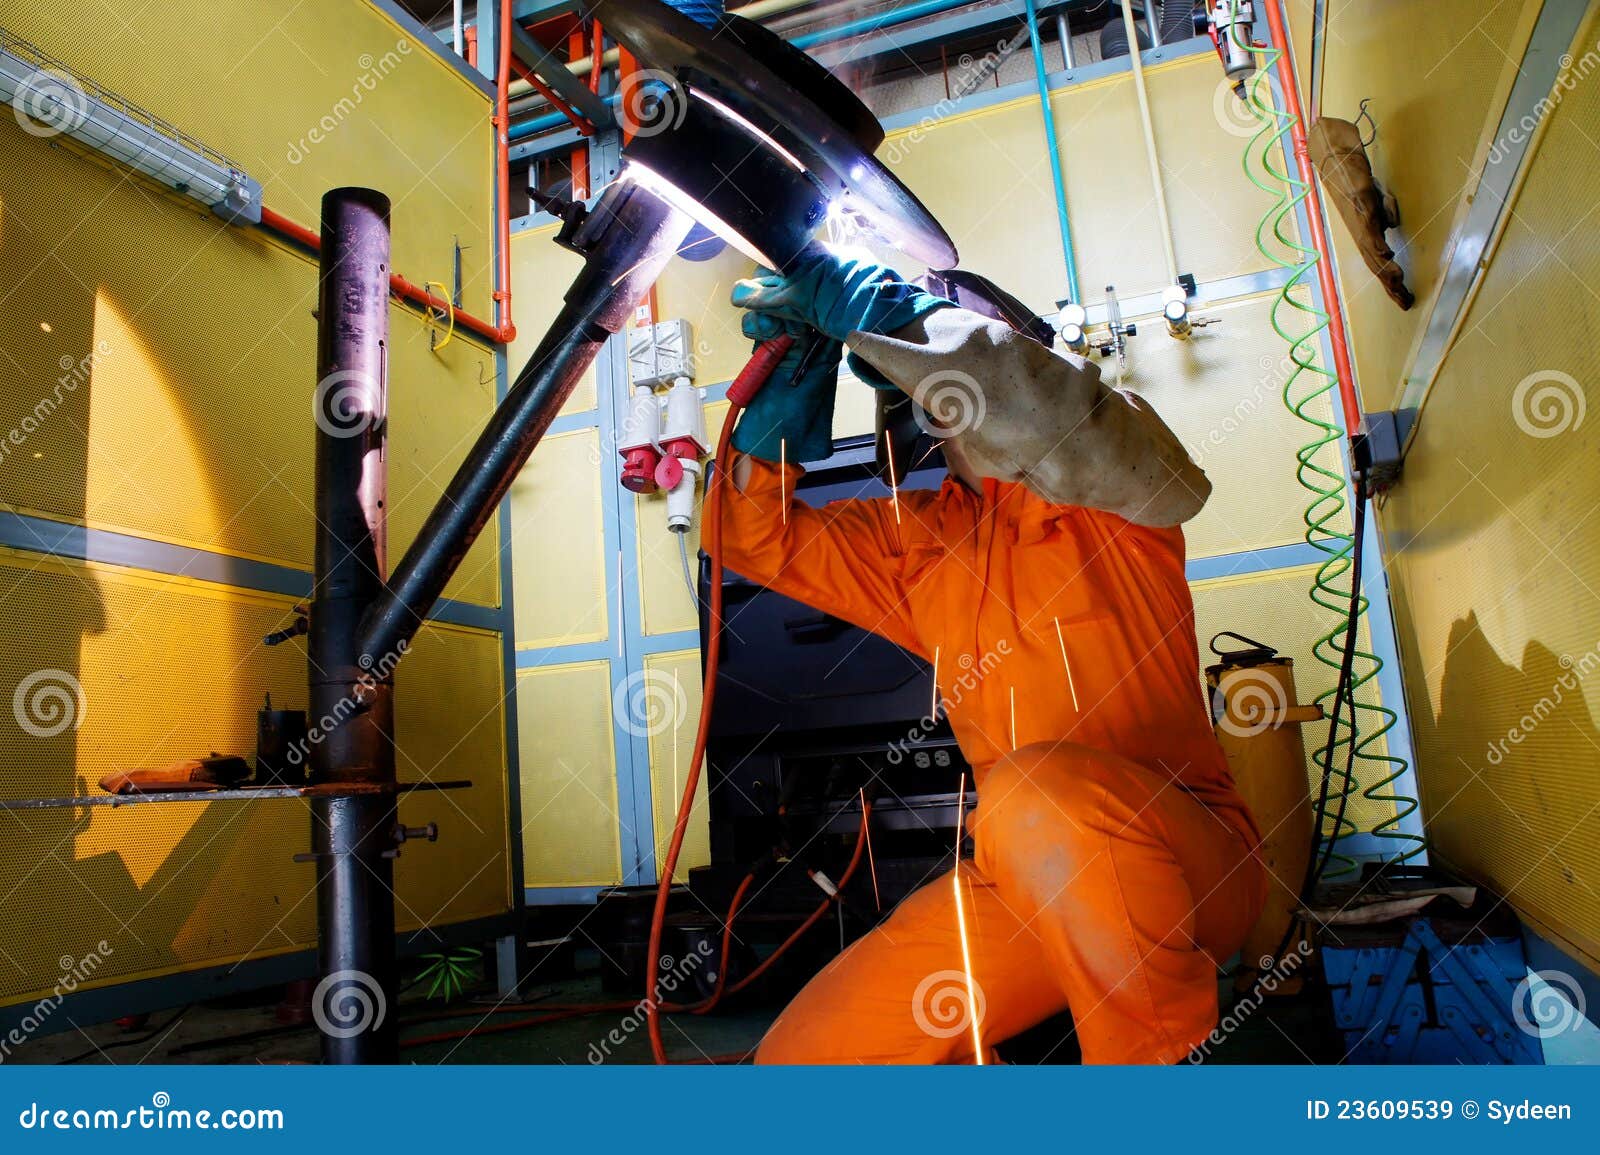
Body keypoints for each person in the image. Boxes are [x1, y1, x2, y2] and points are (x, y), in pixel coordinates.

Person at [717, 249, 1266, 1064]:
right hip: (1023, 878)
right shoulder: (920, 543)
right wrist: (788, 397)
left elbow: (1053, 417)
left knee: (1030, 792)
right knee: (801, 1065)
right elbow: (751, 538)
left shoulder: (1113, 491)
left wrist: (895, 320)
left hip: (1191, 868)